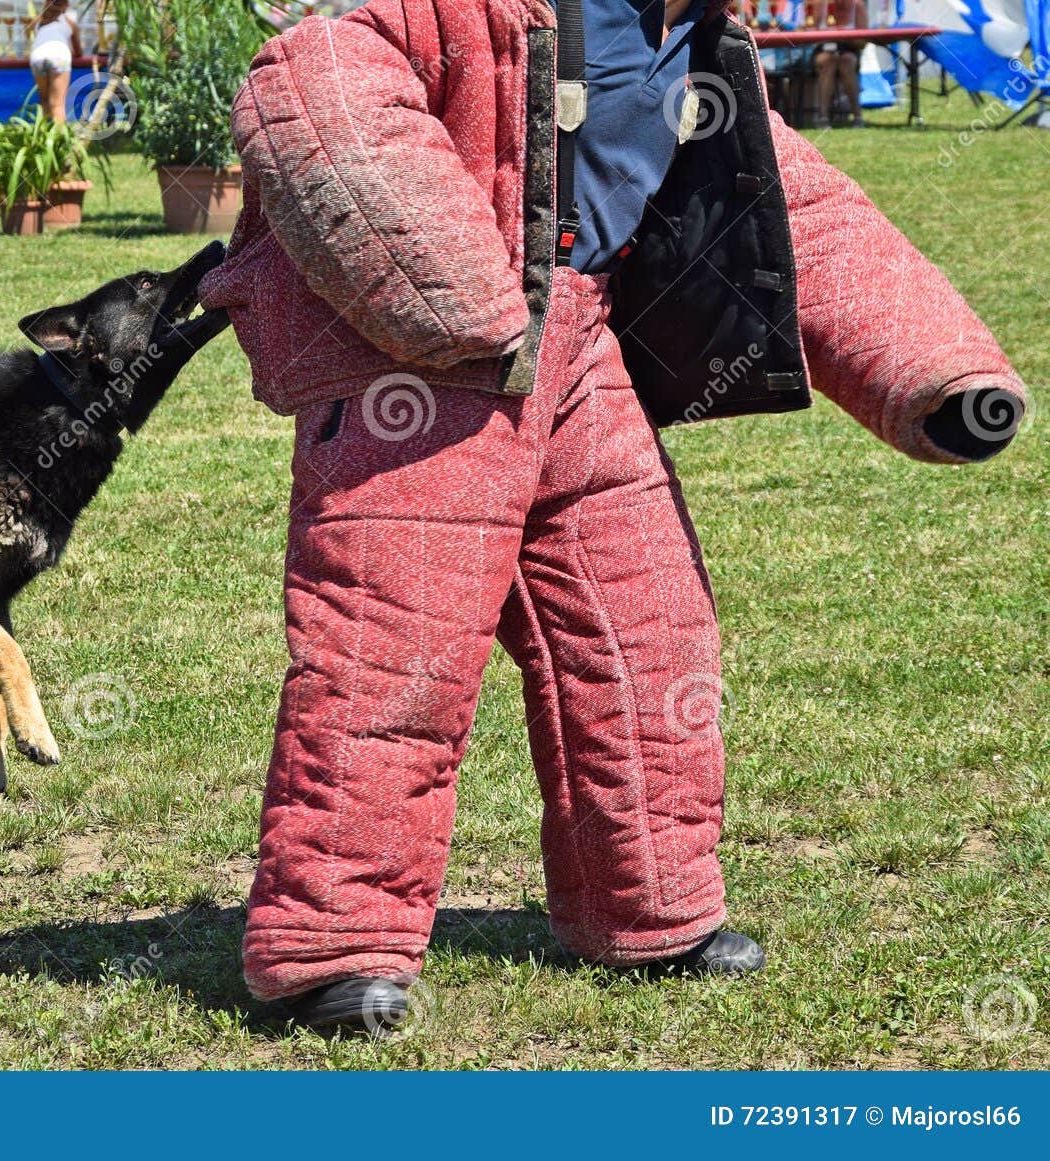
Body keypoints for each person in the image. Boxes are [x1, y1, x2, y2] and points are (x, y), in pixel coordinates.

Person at [197, 0, 1025, 1029]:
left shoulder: (700, 39)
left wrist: (939, 374)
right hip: (417, 379)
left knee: (647, 631)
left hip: (575, 351)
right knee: (390, 656)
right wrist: (450, 293)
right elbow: (312, 73)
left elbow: (789, 202)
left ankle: (651, 910)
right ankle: (332, 947)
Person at [812, 0, 869, 127]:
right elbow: (809, 32)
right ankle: (823, 118)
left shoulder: (857, 6)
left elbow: (863, 42)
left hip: (848, 50)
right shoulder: (820, 4)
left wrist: (843, 35)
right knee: (829, 62)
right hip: (824, 49)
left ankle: (857, 116)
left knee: (847, 62)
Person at [28, 0, 81, 122]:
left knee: (44, 101)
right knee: (57, 104)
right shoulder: (70, 23)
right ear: (65, 6)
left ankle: (43, 137)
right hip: (59, 56)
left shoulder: (38, 21)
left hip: (37, 56)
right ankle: (60, 139)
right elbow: (78, 52)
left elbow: (31, 34)